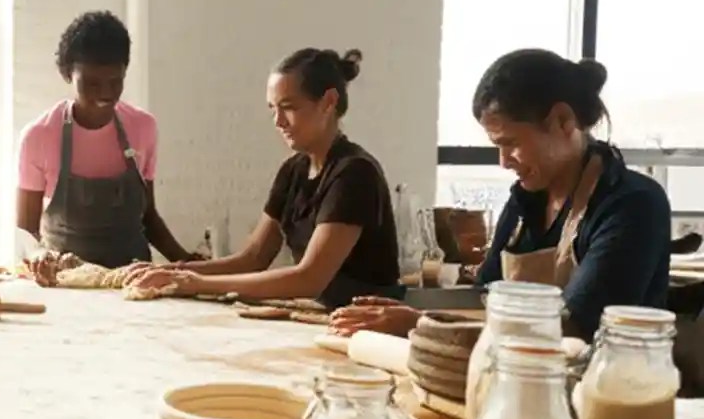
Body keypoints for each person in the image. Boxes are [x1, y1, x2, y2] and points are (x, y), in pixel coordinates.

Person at [330, 49, 670, 341]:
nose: (504, 161)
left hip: (598, 394)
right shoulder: (526, 202)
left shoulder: (632, 205)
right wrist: (417, 309)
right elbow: (485, 296)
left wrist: (420, 324)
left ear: (563, 121)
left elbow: (577, 328)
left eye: (511, 144)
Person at [128, 49, 402, 308]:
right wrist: (172, 270)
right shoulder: (293, 171)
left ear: (329, 102)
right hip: (321, 317)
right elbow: (253, 258)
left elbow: (309, 279)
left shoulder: (354, 174)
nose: (278, 121)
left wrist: (197, 284)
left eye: (288, 107)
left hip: (367, 325)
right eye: (273, 109)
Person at [19, 11, 197, 273]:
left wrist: (187, 264)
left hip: (132, 280)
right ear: (68, 74)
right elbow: (25, 228)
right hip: (67, 284)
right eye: (91, 83)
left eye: (116, 82)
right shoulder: (39, 136)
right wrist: (38, 255)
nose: (105, 94)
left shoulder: (142, 128)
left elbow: (148, 217)